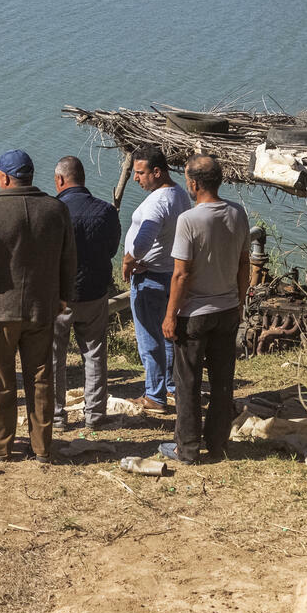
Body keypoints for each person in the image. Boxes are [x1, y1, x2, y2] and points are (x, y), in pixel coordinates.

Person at [0, 149, 74, 465]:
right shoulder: (55, 210)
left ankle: (0, 447)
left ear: (5, 177)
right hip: (42, 308)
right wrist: (64, 295)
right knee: (40, 377)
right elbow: (69, 258)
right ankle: (41, 448)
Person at [160, 154, 253, 464]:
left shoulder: (189, 220)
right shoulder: (238, 214)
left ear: (194, 184)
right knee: (222, 380)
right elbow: (244, 263)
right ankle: (217, 442)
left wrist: (171, 314)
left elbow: (181, 274)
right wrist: (239, 301)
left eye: (187, 178)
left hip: (194, 314)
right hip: (227, 309)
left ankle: (185, 449)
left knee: (187, 384)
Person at [51, 155, 122, 437]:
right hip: (94, 293)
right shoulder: (106, 211)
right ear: (83, 178)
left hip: (60, 297)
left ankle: (57, 416)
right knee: (94, 354)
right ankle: (94, 414)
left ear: (60, 180)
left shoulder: (54, 211)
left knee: (54, 356)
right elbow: (112, 250)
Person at [121, 147, 191, 417]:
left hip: (149, 277)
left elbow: (143, 241)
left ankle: (155, 396)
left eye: (140, 173)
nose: (136, 178)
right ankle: (171, 386)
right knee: (167, 336)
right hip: (169, 274)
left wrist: (129, 260)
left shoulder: (157, 202)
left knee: (149, 338)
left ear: (157, 172)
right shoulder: (180, 195)